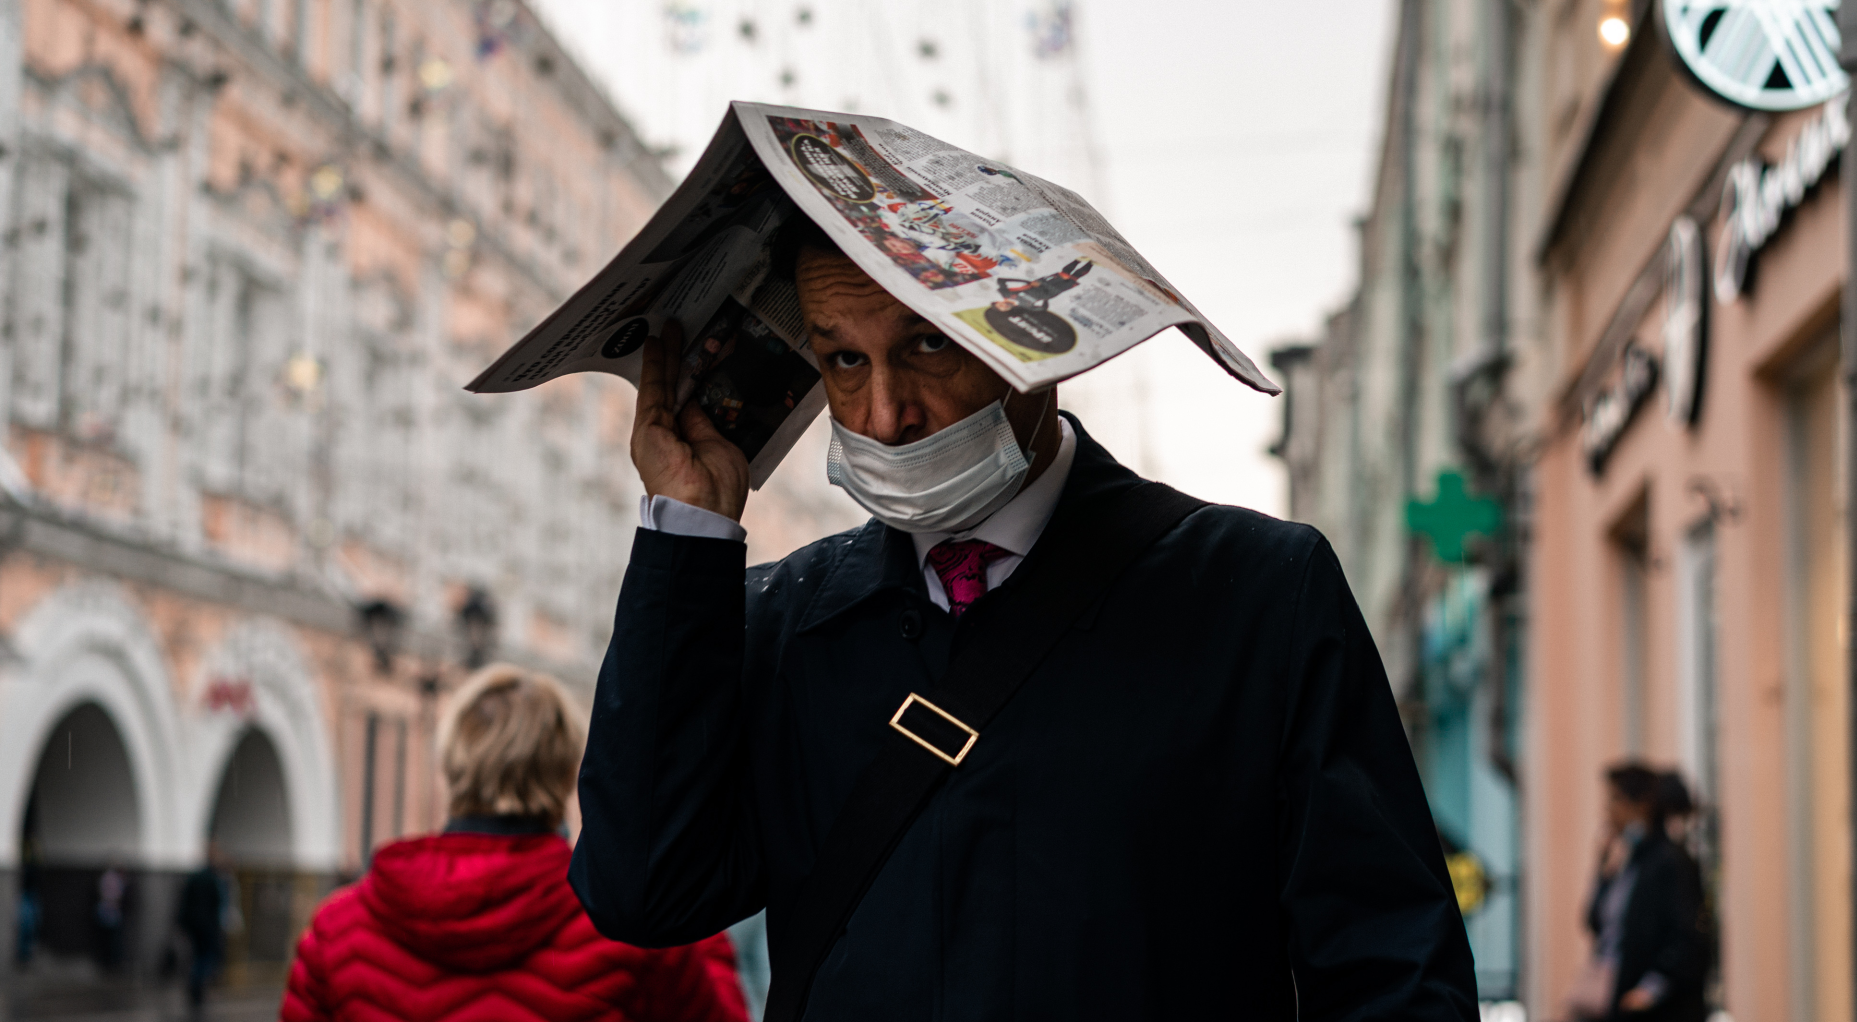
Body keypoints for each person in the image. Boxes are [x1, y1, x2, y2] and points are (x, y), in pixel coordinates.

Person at [570, 220, 1477, 1019]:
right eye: (844, 359)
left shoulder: (1256, 596)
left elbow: (1387, 967)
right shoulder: (789, 620)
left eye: (926, 345)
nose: (886, 415)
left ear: (1038, 349)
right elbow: (645, 892)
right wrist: (688, 534)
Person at [280, 664, 748, 1022]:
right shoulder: (629, 927)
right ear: (568, 771)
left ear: (451, 765)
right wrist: (693, 919)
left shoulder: (337, 931)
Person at [1567, 763, 1708, 1022]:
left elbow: (1688, 936)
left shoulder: (1669, 861)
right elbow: (1595, 922)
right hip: (1621, 997)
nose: (1607, 811)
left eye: (1614, 800)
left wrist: (1650, 990)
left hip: (1658, 1008)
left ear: (1640, 805)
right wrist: (1602, 868)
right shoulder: (1630, 860)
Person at [177, 844, 230, 1018]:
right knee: (205, 957)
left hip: (194, 925)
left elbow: (185, 900)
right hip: (207, 926)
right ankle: (196, 987)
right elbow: (217, 904)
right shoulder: (214, 879)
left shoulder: (195, 877)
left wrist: (183, 922)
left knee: (198, 955)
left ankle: (194, 986)